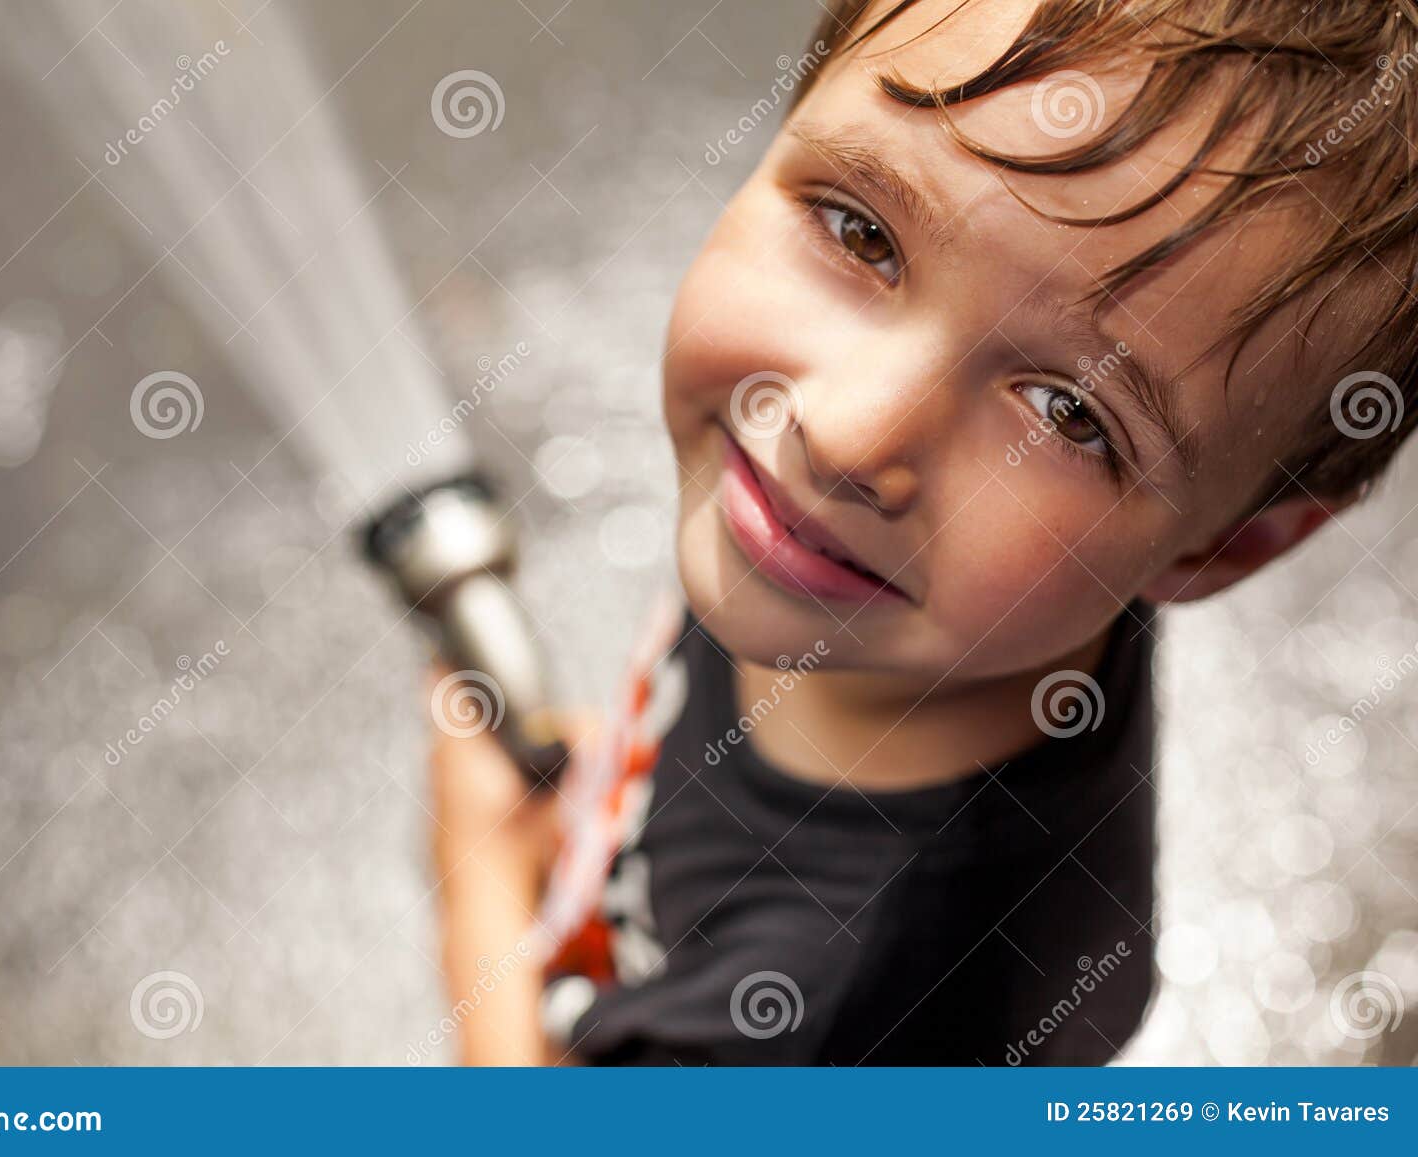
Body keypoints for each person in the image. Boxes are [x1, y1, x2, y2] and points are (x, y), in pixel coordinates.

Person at [426, 0, 1418, 1064]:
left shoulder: (850, 1005)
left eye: (1066, 413)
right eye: (862, 232)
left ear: (1223, 547)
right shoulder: (901, 589)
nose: (847, 434)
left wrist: (477, 871)